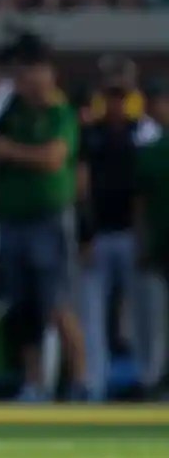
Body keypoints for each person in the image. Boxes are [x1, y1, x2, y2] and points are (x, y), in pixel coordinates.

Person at [0, 40, 88, 401]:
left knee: (58, 302)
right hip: (13, 221)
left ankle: (80, 381)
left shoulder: (60, 113)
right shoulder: (12, 110)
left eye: (30, 72)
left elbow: (53, 158)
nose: (25, 80)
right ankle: (34, 381)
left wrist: (10, 151)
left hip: (48, 220)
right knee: (21, 305)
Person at [77, 63, 143, 402]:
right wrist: (85, 233)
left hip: (133, 233)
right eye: (111, 95)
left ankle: (146, 379)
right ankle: (95, 382)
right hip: (100, 233)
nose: (116, 103)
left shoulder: (141, 133)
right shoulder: (92, 134)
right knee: (92, 313)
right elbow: (82, 186)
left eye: (122, 96)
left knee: (139, 312)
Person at [134, 79, 169, 397]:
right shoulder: (154, 148)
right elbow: (141, 203)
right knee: (156, 316)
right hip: (162, 243)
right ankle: (158, 376)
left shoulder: (155, 149)